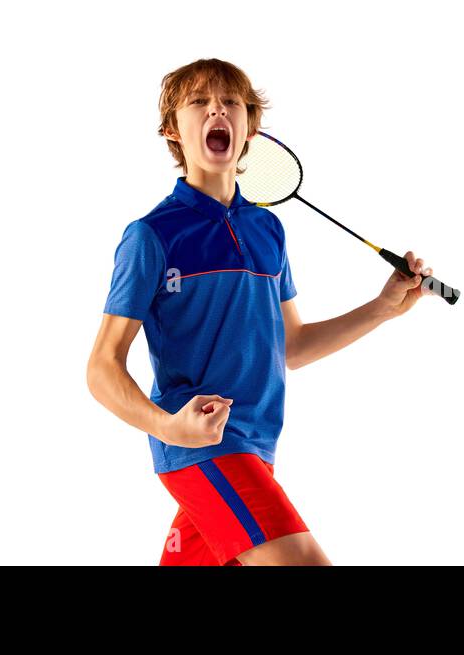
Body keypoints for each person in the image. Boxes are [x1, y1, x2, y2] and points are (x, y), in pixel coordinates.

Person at [86, 58, 438, 565]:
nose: (217, 111)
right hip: (203, 448)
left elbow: (291, 346)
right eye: (200, 103)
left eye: (230, 102)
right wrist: (168, 428)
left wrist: (382, 307)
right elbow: (101, 368)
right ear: (172, 130)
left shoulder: (267, 230)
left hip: (258, 447)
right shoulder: (152, 236)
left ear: (249, 126)